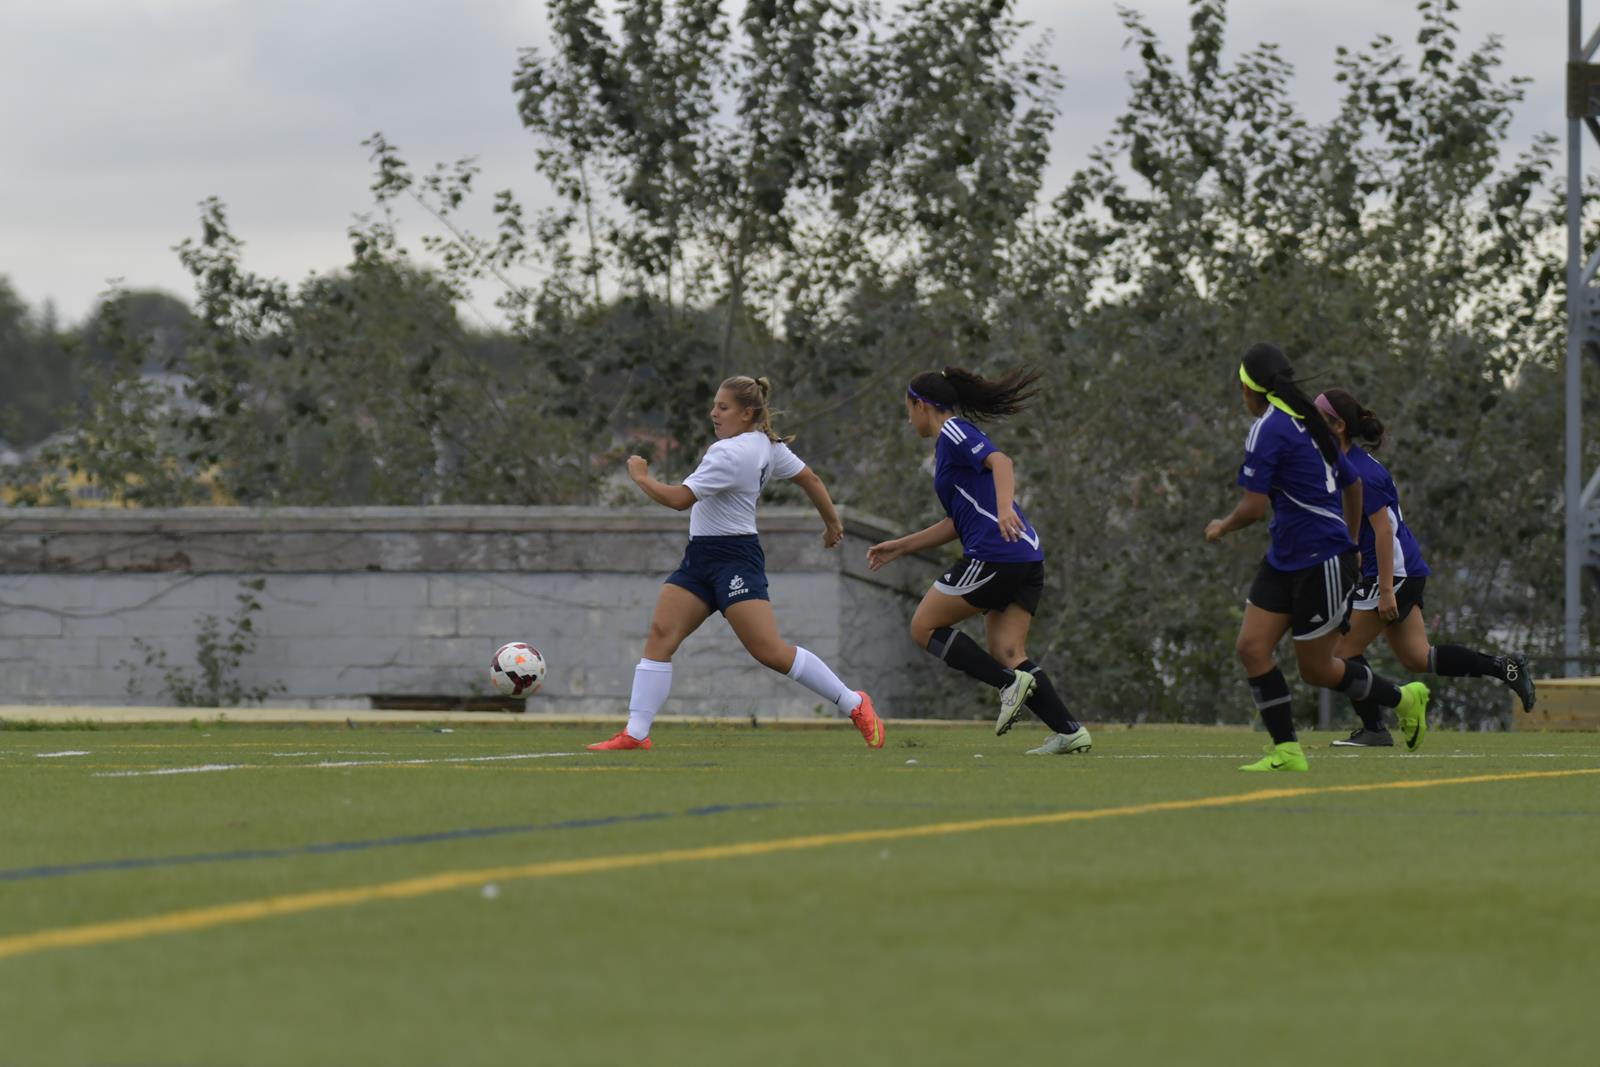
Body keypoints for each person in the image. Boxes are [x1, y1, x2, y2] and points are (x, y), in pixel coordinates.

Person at [587, 376, 885, 751]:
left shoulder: (731, 453)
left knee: (770, 651)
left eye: (723, 407)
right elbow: (809, 477)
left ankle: (853, 702)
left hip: (734, 560)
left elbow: (680, 499)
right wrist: (832, 523)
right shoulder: (765, 445)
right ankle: (636, 732)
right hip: (700, 558)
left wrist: (641, 477)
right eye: (714, 405)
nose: (714, 412)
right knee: (661, 636)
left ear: (748, 414)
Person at [1204, 343, 1429, 770]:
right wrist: (1349, 537)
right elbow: (1351, 485)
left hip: (1321, 559)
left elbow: (1252, 508)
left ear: (1249, 389)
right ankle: (1287, 751)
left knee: (1320, 669)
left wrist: (1221, 525)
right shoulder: (1308, 424)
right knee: (1252, 647)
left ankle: (1403, 698)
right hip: (1285, 556)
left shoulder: (1269, 429)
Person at [866, 366, 1091, 755]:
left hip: (995, 553)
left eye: (908, 409)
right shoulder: (948, 445)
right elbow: (956, 522)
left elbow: (1002, 462)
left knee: (923, 627)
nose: (908, 418)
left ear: (922, 406)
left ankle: (1008, 685)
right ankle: (1070, 731)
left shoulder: (953, 431)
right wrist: (900, 546)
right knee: (1008, 652)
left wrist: (1005, 508)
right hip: (1024, 554)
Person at [1315, 387, 1535, 748]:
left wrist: (1385, 589)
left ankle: (1375, 729)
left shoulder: (1359, 471)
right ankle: (1505, 667)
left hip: (1393, 573)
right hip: (1405, 570)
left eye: (1317, 419)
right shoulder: (1348, 464)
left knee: (1340, 652)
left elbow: (1383, 532)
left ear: (1338, 426)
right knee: (1418, 657)